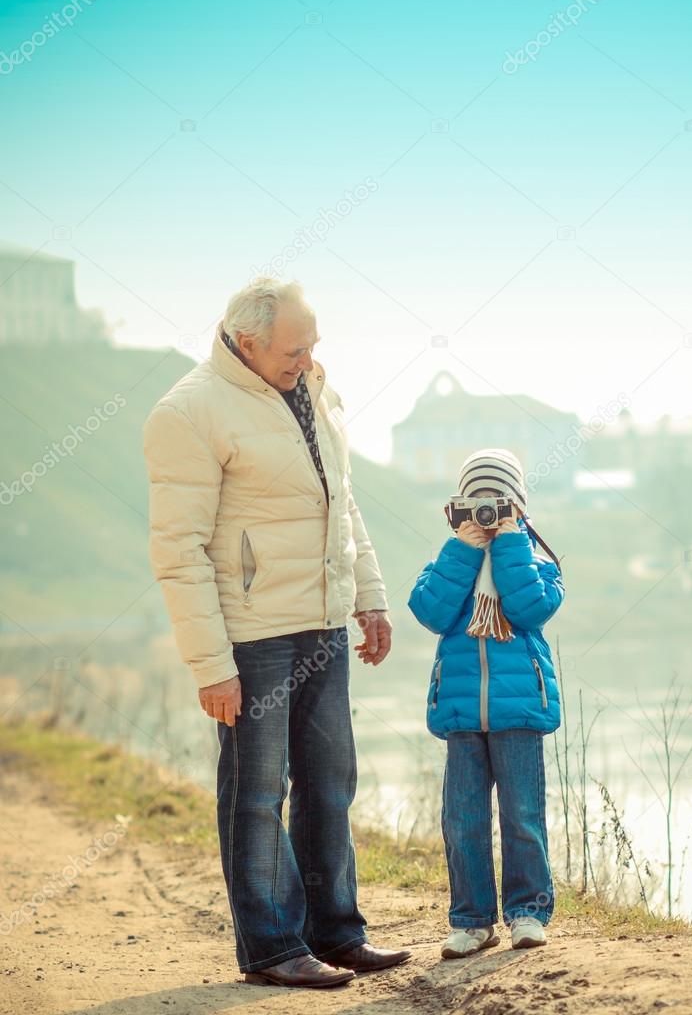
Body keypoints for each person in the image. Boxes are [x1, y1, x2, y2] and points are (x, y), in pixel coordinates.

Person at [143, 278, 410, 989]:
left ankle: (336, 933)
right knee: (258, 793)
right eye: (294, 349)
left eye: (312, 344)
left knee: (329, 783)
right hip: (253, 635)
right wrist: (211, 664)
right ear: (247, 342)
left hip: (323, 620)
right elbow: (178, 550)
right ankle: (271, 947)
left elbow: (341, 504)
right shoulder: (189, 411)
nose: (308, 359)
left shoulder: (315, 390)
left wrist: (370, 599)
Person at [407, 448, 564, 958]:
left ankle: (527, 913)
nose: (486, 513)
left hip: (519, 712)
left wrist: (511, 543)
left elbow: (531, 608)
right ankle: (472, 920)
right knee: (462, 820)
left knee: (523, 816)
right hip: (460, 714)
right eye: (476, 502)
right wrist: (464, 550)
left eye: (497, 503)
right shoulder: (449, 558)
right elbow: (431, 612)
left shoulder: (539, 563)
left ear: (517, 506)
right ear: (459, 507)